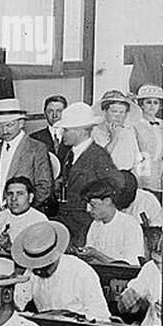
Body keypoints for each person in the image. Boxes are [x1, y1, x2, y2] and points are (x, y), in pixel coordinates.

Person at [11, 220, 110, 322]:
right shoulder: (32, 271)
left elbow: (101, 316)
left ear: (55, 256)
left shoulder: (81, 272)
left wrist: (60, 316)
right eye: (35, 267)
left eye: (44, 266)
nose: (38, 272)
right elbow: (18, 304)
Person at [53, 101, 119, 246]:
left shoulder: (98, 155)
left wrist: (94, 206)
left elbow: (116, 184)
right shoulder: (70, 154)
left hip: (85, 226)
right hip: (68, 222)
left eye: (66, 130)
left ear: (80, 131)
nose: (62, 134)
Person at [0, 98, 54, 214]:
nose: (4, 130)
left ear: (21, 123)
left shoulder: (37, 148)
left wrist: (21, 207)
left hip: (26, 216)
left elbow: (44, 186)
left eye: (9, 125)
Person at [78, 178, 145, 266]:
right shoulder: (95, 224)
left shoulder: (129, 225)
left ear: (107, 201)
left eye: (92, 205)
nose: (88, 210)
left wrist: (96, 255)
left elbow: (129, 265)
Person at [0, 175, 49, 254]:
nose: (13, 198)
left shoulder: (39, 220)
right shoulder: (1, 216)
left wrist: (10, 247)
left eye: (20, 194)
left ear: (30, 197)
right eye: (10, 194)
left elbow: (38, 256)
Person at [131, 83, 163, 191]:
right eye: (148, 102)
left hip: (161, 169)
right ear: (142, 105)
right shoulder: (136, 124)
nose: (152, 106)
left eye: (155, 103)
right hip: (143, 168)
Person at [29, 95, 69, 162]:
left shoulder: (73, 136)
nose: (54, 115)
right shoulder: (34, 138)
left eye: (59, 111)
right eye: (50, 111)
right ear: (45, 114)